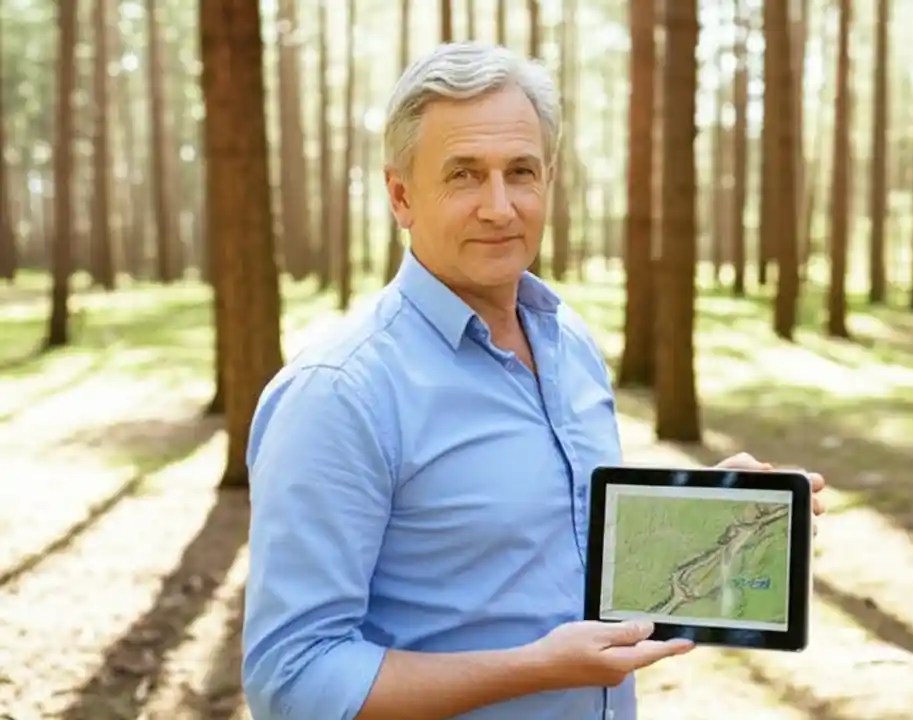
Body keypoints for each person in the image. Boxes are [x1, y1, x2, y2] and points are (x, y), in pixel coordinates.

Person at [240, 42, 826, 720]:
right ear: (401, 196)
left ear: (548, 179)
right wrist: (534, 669)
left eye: (520, 172)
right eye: (464, 175)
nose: (499, 207)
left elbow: (561, 549)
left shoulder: (568, 341)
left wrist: (706, 520)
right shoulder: (338, 394)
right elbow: (292, 680)